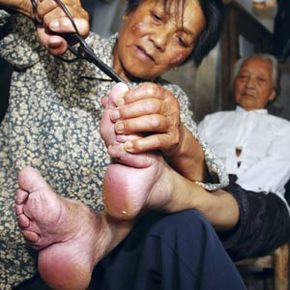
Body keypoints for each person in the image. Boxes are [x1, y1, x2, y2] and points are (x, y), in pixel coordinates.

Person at [0, 0, 245, 289]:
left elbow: (202, 180)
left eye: (181, 39)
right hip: (15, 266)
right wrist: (37, 6)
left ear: (185, 57)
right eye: (156, 17)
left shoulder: (170, 100)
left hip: (105, 268)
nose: (159, 40)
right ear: (129, 10)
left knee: (187, 224)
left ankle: (97, 230)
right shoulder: (61, 43)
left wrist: (177, 137)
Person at [198, 54, 290, 260]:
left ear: (273, 92)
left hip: (263, 205)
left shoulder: (285, 129)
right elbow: (196, 160)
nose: (249, 84)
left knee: (195, 218)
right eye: (243, 77)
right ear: (234, 84)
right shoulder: (212, 121)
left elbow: (273, 171)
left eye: (260, 80)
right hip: (209, 194)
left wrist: (226, 193)